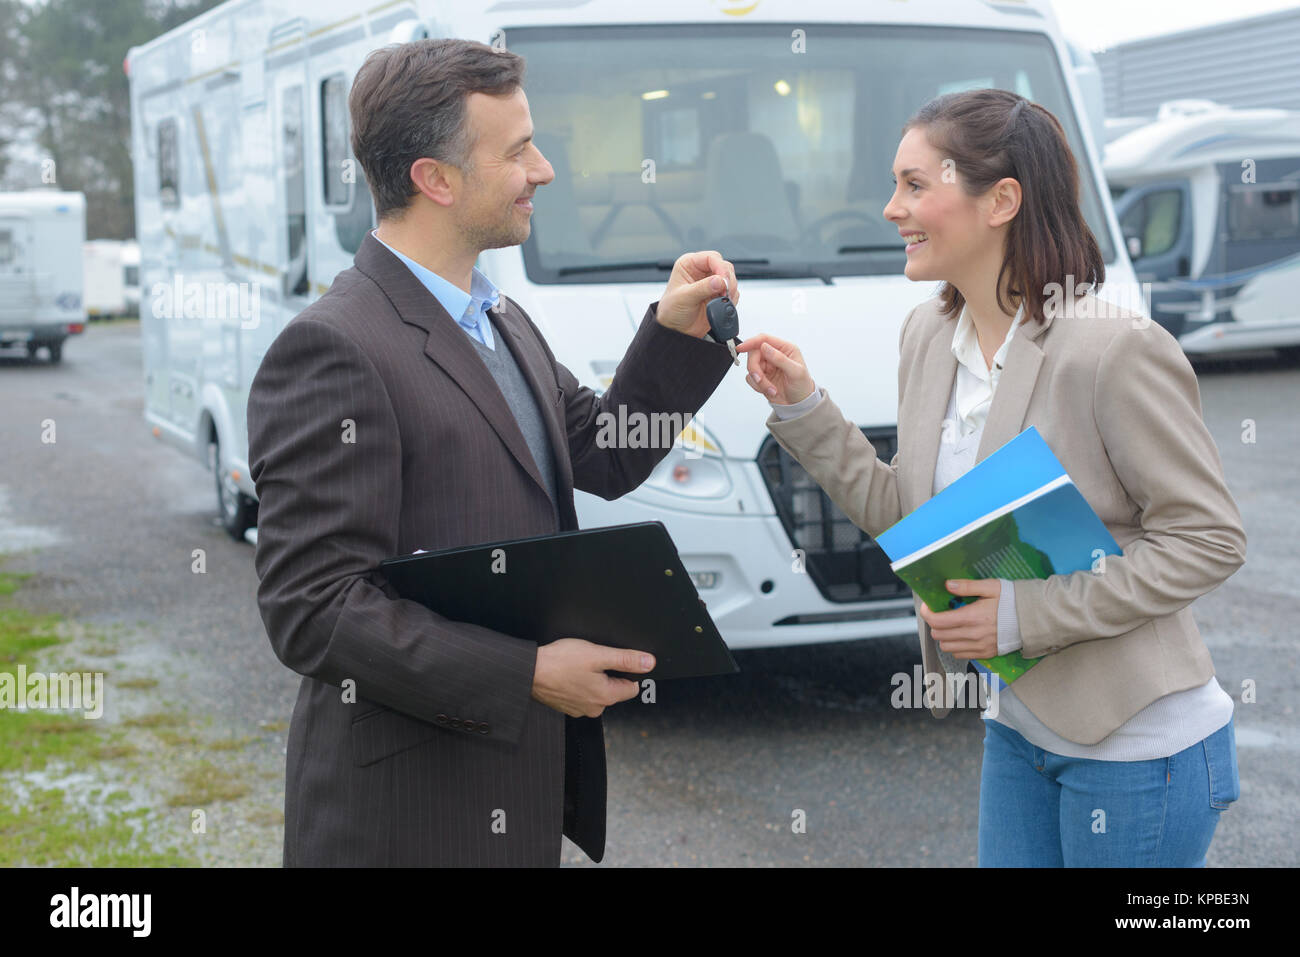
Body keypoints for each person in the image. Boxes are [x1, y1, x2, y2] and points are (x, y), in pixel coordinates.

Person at [247, 38, 739, 867]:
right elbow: (314, 608)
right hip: (404, 821)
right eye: (517, 152)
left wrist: (673, 332)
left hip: (515, 798)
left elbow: (601, 453)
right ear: (435, 180)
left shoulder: (497, 316)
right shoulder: (333, 348)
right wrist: (528, 675)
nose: (543, 169)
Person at [737, 89, 1246, 867]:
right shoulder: (926, 337)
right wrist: (805, 407)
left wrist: (1024, 616)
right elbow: (908, 514)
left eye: (915, 185)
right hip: (1016, 731)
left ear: (1002, 199)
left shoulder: (1111, 348)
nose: (889, 208)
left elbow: (1208, 540)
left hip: (1144, 748)